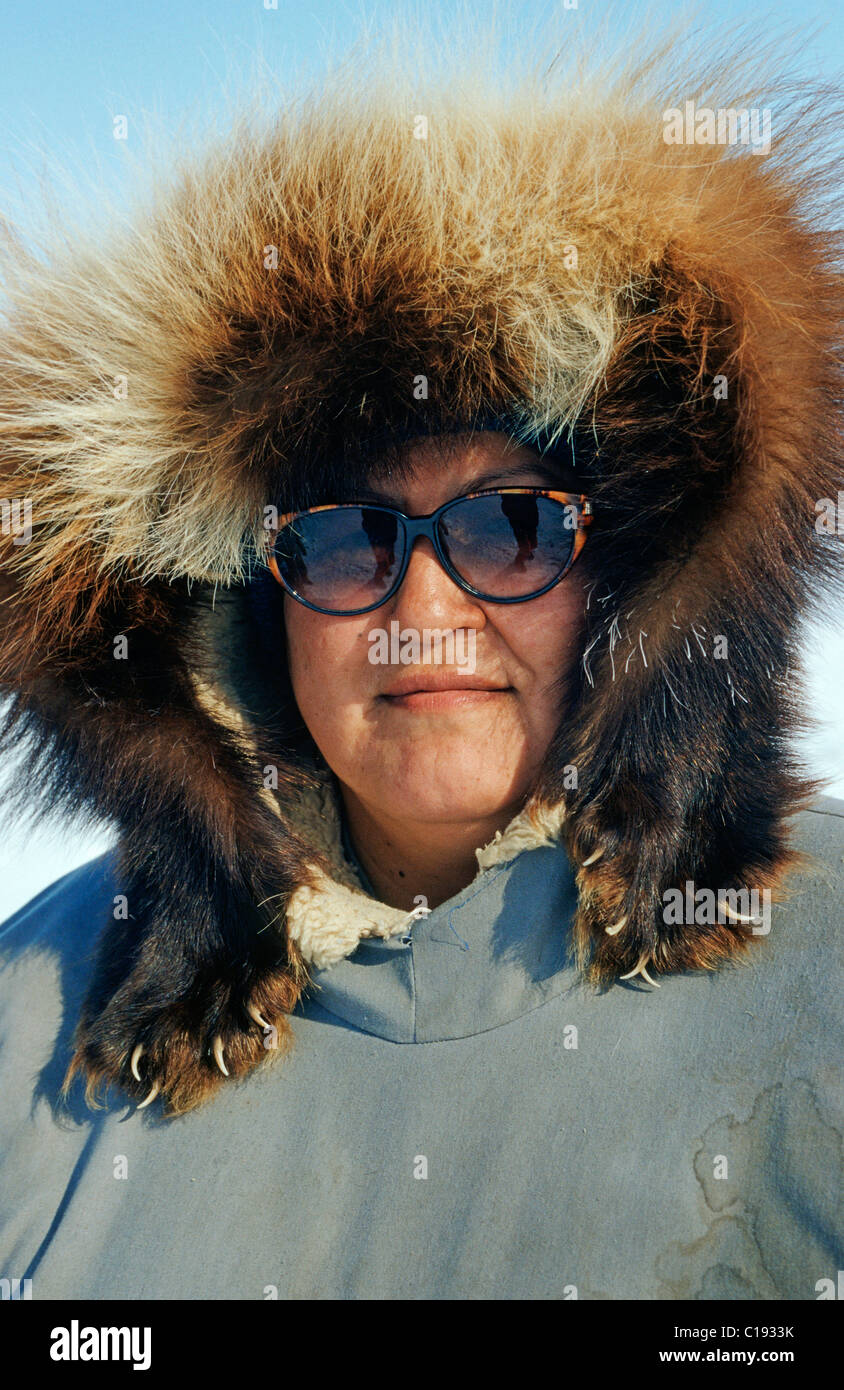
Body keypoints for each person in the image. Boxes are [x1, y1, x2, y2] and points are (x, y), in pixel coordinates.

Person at [0, 35, 842, 1301]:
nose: (424, 608)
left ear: (634, 563)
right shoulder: (37, 1018)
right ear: (237, 605)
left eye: (513, 525)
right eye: (342, 539)